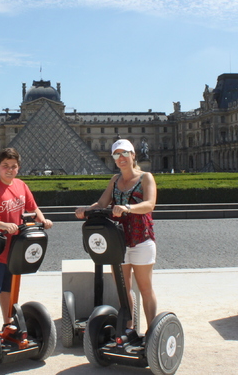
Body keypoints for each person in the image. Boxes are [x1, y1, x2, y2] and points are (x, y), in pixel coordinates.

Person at [75, 139, 158, 331]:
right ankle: (128, 329)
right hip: (118, 241)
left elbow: (149, 204)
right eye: (116, 154)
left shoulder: (146, 177)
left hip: (141, 239)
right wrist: (86, 210)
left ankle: (153, 332)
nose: (121, 158)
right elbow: (102, 203)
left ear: (133, 154)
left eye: (124, 153)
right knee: (124, 290)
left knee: (145, 289)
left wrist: (128, 207)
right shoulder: (114, 180)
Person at [0, 147, 53, 326]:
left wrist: (43, 220)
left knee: (8, 291)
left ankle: (8, 325)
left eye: (13, 166)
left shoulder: (21, 185)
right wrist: (3, 225)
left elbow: (33, 208)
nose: (9, 169)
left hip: (14, 249)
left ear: (18, 168)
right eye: (5, 166)